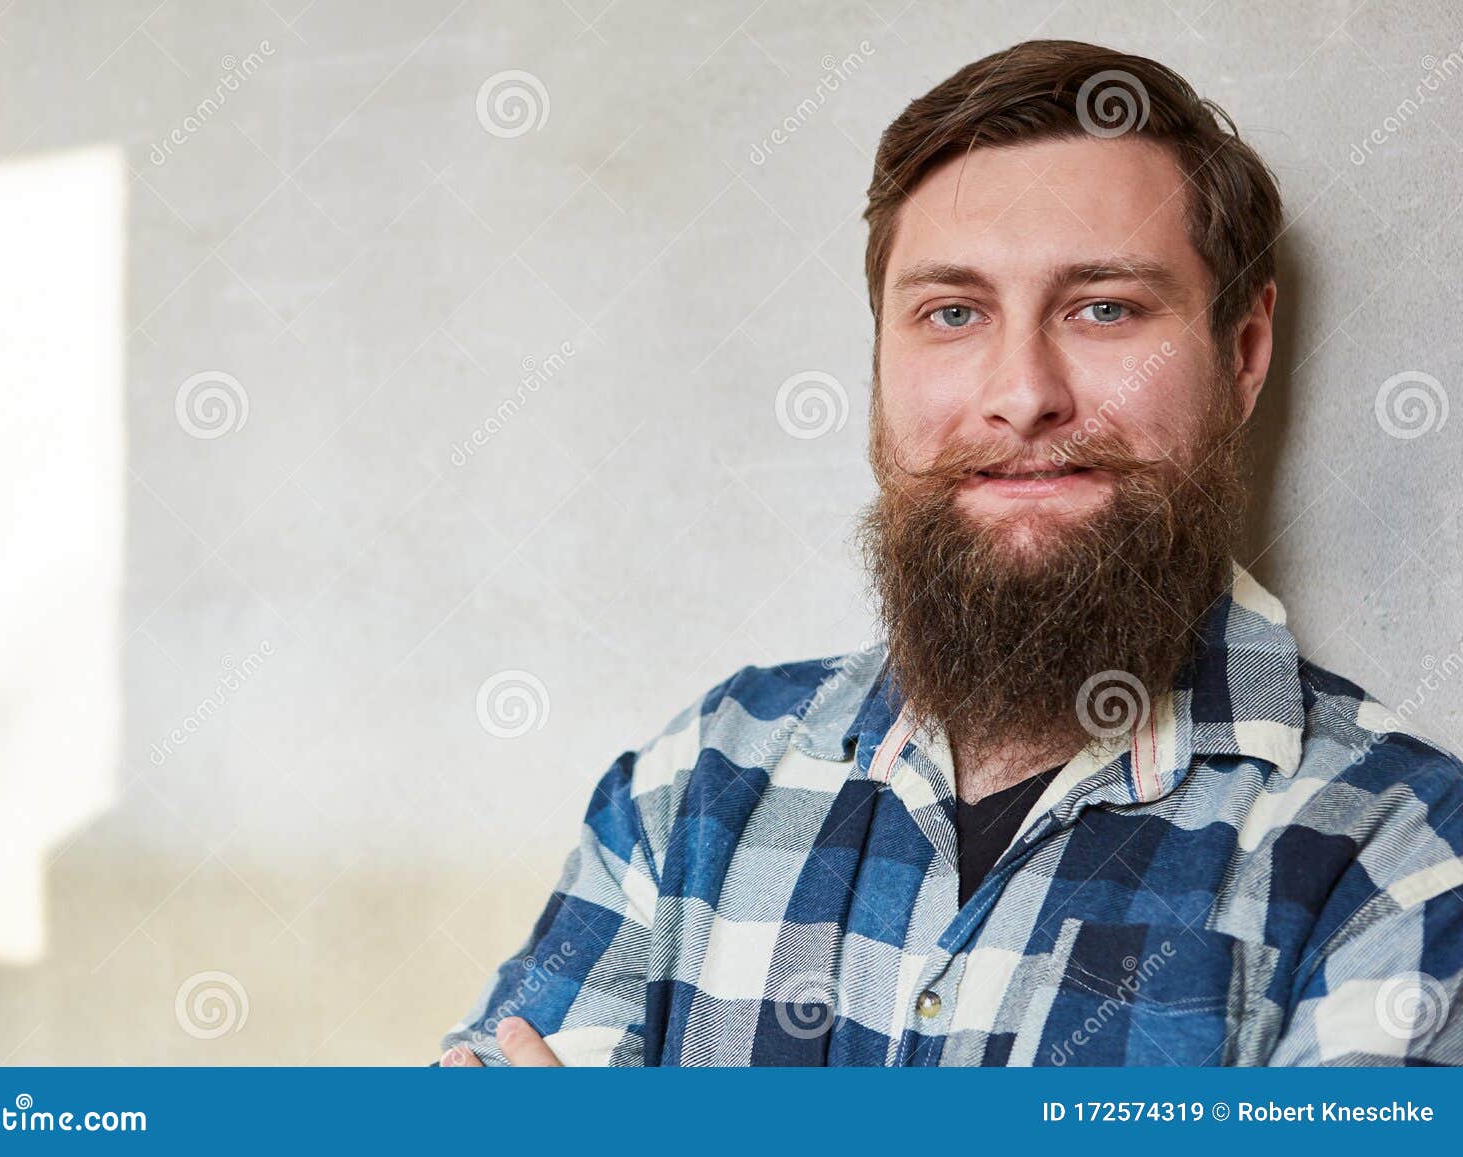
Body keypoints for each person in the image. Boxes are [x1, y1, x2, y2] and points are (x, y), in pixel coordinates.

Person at [438, 39, 1463, 1067]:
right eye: (953, 312)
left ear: (1240, 355)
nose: (1022, 393)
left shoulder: (1401, 857)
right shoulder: (696, 785)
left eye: (1105, 307)